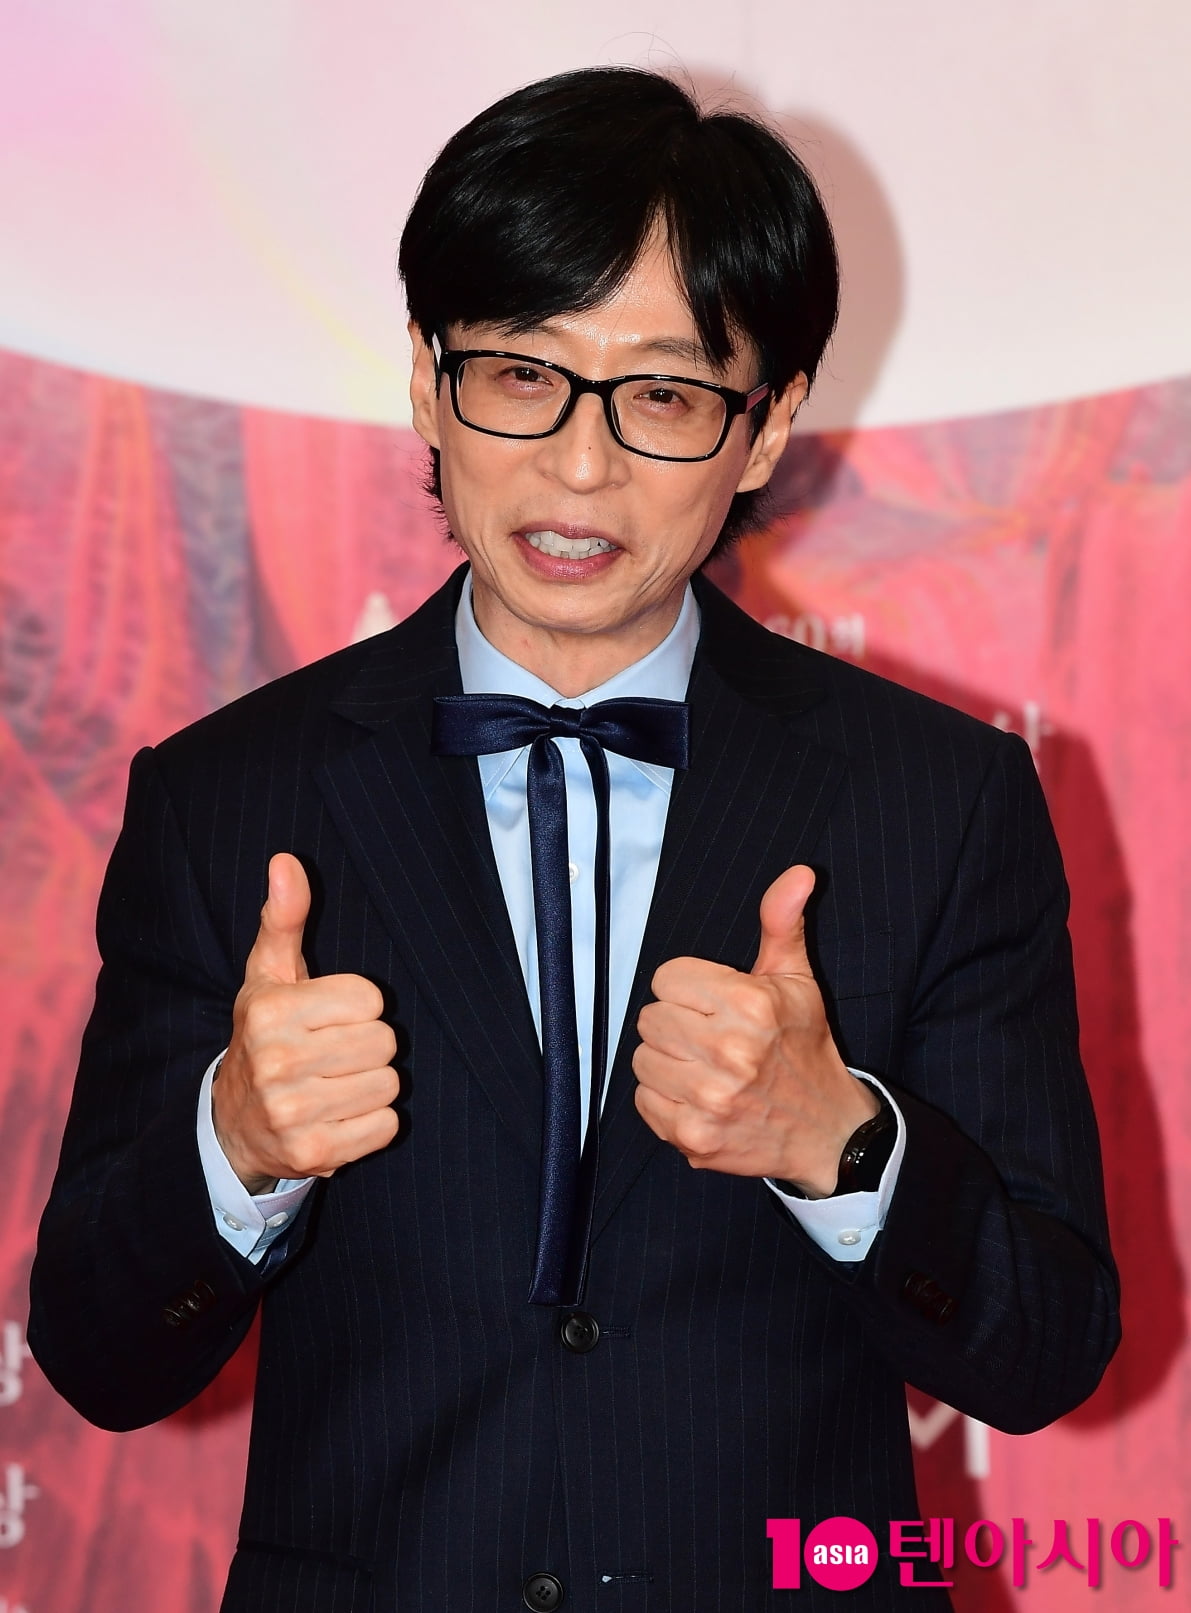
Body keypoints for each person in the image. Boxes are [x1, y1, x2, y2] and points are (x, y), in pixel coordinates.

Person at [29, 67, 1118, 1612]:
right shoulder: (227, 797)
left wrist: (842, 1141)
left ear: (765, 426)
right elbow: (96, 1355)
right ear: (429, 381)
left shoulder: (940, 801)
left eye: (663, 396)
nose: (580, 463)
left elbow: (1047, 1348)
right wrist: (237, 1144)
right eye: (521, 373)